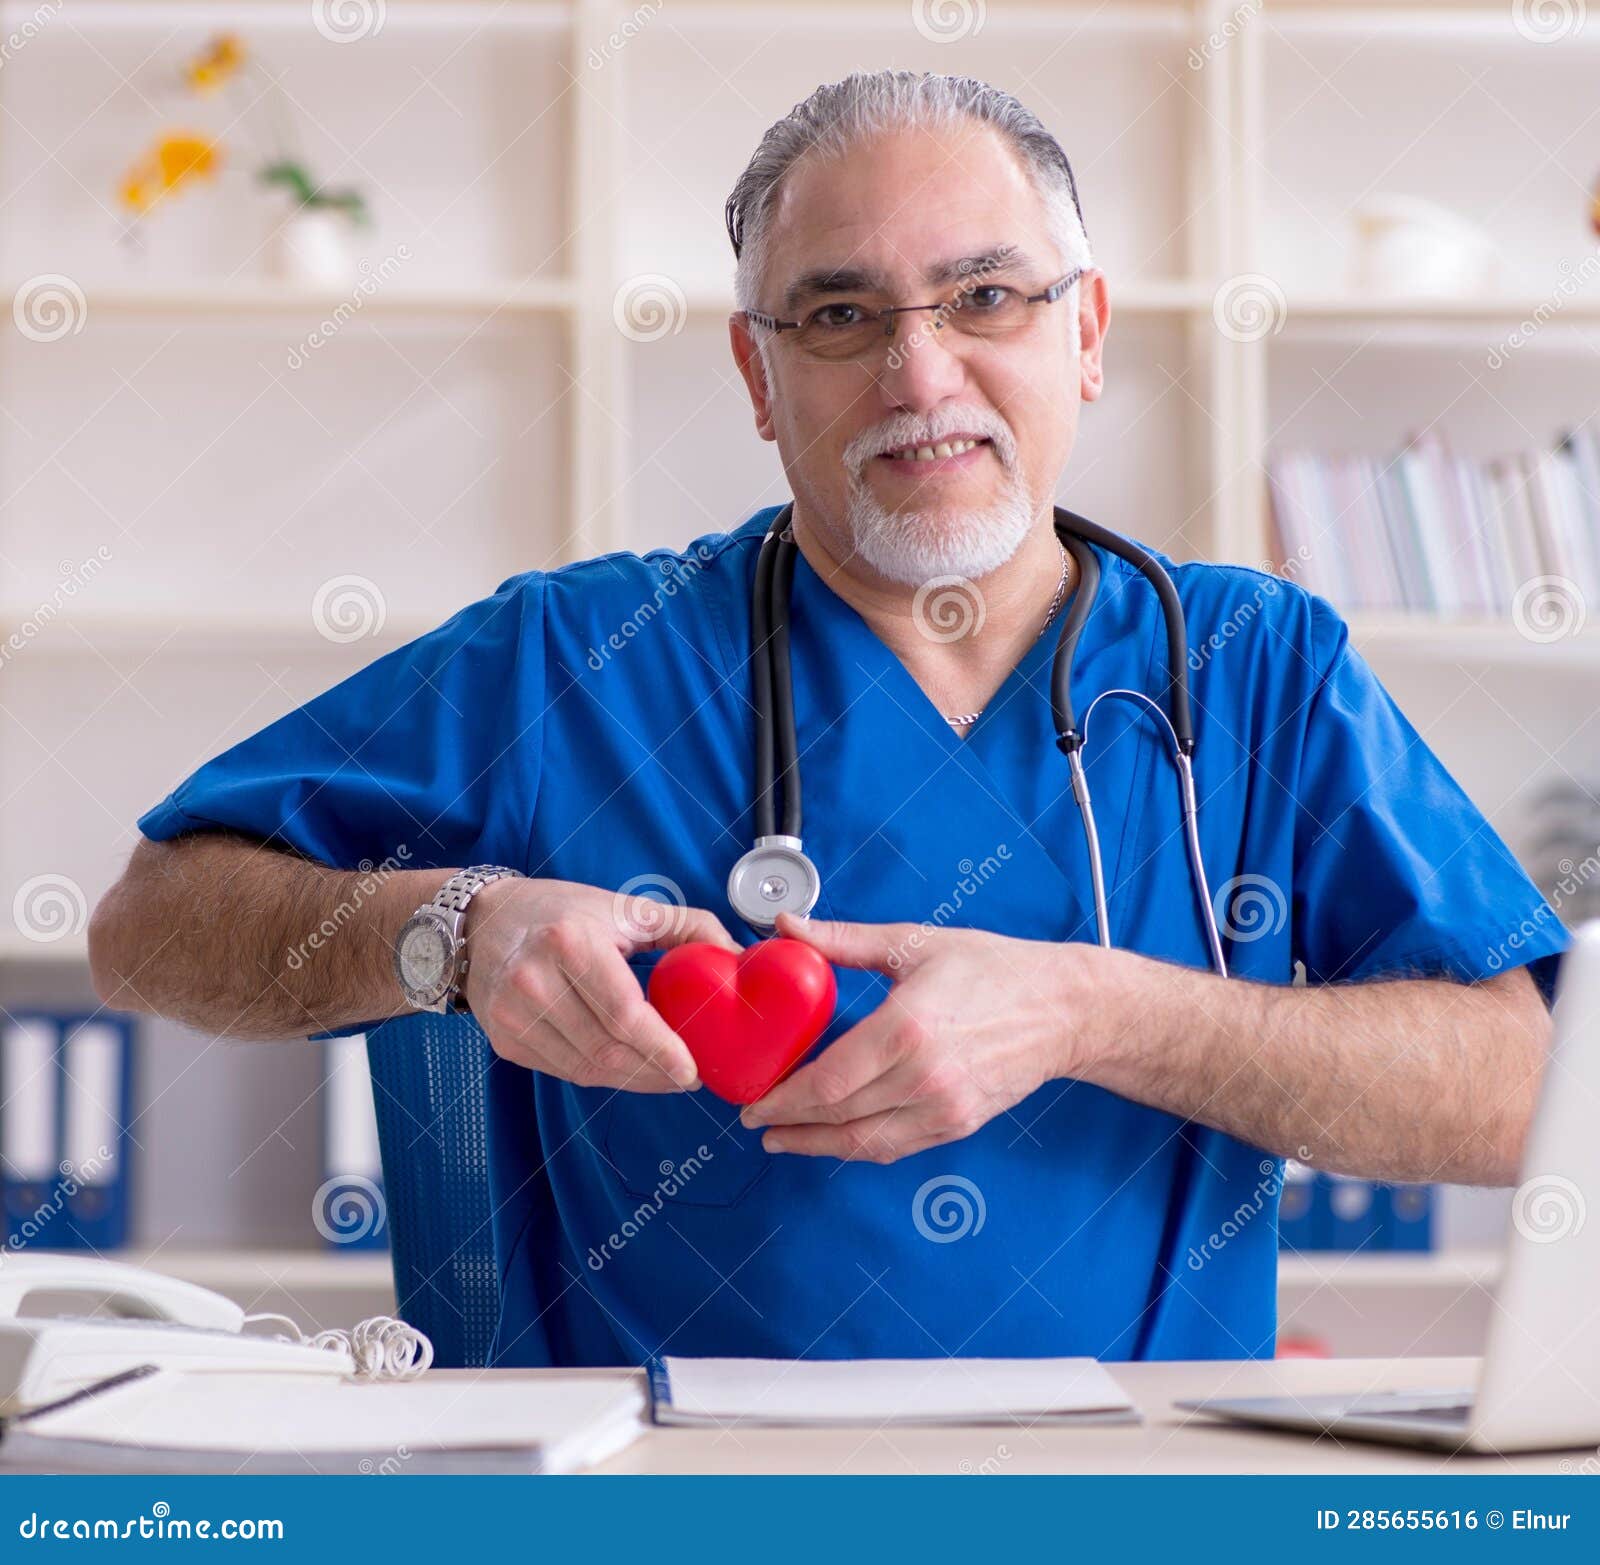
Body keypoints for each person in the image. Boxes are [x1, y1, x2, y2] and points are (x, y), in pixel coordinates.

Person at [89, 72, 1565, 1367]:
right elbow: (149, 922)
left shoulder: (1255, 667)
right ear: (758, 371)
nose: (921, 374)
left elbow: (1523, 1098)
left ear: (1088, 331)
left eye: (986, 296)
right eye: (842, 313)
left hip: (1140, 1493)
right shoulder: (575, 659)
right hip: (657, 1508)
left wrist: (1092, 1009)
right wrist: (451, 930)